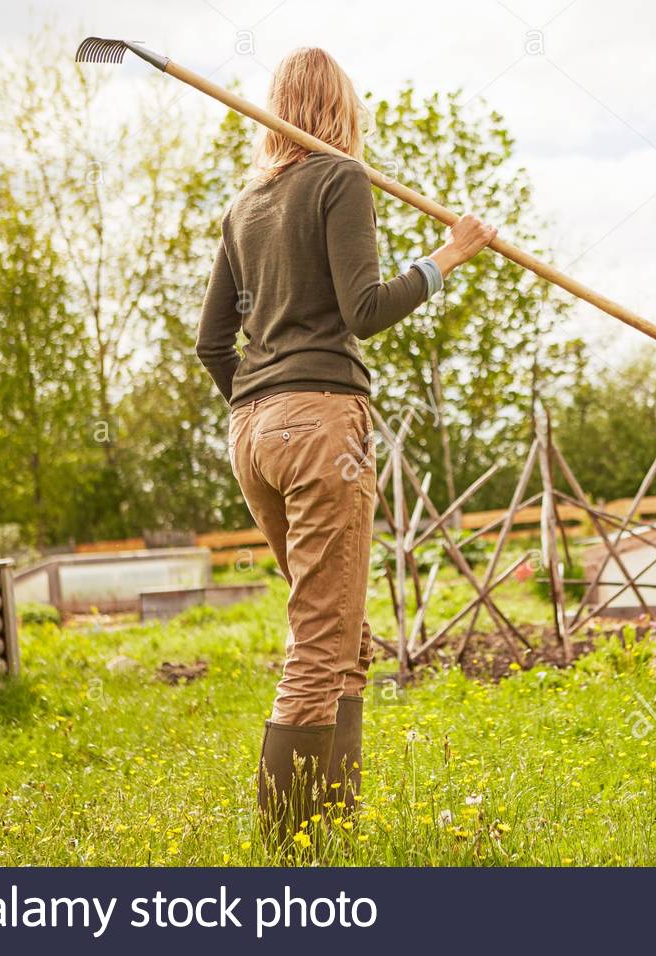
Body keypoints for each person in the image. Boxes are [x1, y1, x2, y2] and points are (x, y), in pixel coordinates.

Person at [196, 46, 496, 844]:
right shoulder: (341, 178)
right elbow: (364, 309)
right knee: (321, 637)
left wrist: (264, 408)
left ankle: (332, 823)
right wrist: (447, 257)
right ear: (342, 111)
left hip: (252, 434)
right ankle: (290, 848)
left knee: (343, 630)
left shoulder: (244, 207)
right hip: (323, 423)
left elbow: (209, 346)